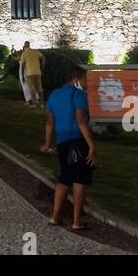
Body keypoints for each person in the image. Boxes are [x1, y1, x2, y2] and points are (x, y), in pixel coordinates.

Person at [41, 66, 96, 231]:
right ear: (76, 80)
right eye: (85, 80)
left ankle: (55, 216)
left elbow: (50, 123)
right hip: (78, 141)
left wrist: (46, 143)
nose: (87, 83)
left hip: (62, 142)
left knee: (64, 179)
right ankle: (77, 221)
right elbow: (81, 120)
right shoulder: (78, 95)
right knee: (80, 180)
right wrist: (92, 145)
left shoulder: (54, 95)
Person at [19, 41, 44, 107]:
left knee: (32, 89)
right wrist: (42, 66)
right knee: (39, 88)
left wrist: (22, 76)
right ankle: (41, 104)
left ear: (24, 46)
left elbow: (23, 66)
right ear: (29, 45)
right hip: (38, 72)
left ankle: (34, 104)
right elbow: (43, 58)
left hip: (30, 73)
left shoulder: (24, 54)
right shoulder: (35, 51)